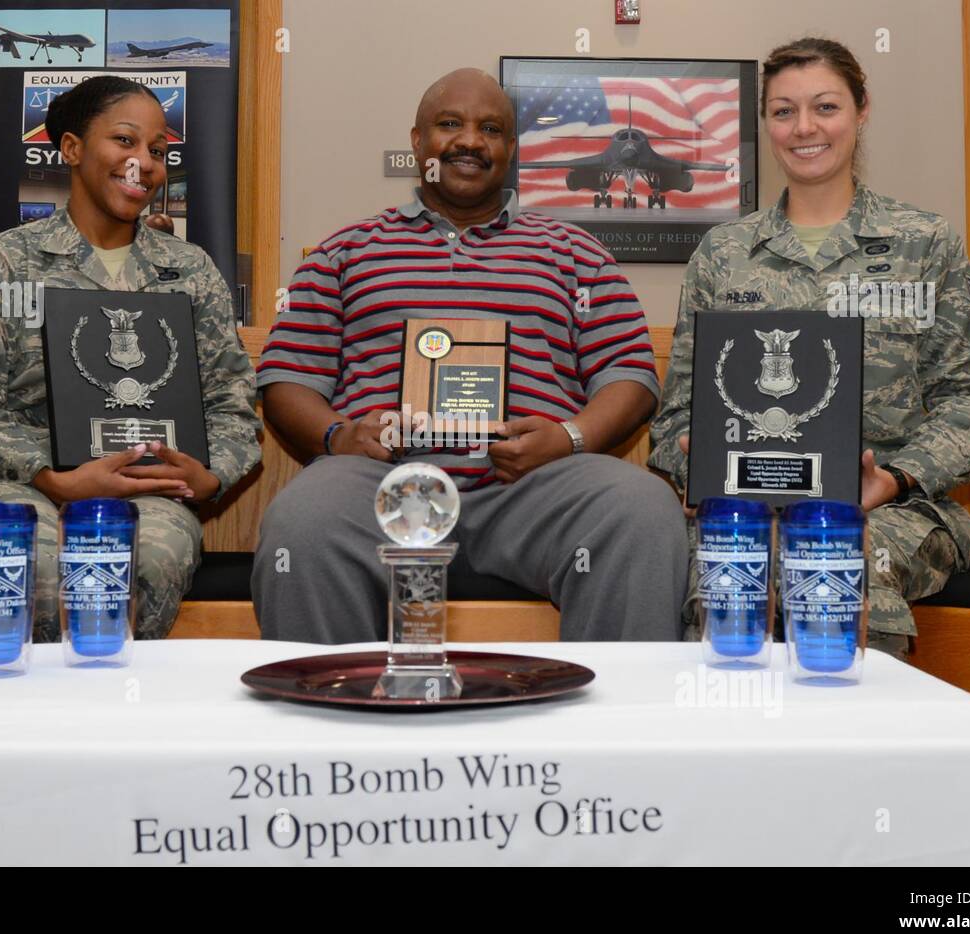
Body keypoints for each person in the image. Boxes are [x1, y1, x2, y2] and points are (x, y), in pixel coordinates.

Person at [252, 68, 687, 643]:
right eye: (449, 124)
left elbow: (629, 373)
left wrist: (569, 437)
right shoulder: (345, 253)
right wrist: (339, 437)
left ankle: (613, 729)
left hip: (532, 493)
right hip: (381, 487)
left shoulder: (575, 253)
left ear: (511, 149)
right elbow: (287, 378)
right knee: (302, 522)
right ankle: (336, 727)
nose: (470, 141)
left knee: (641, 509)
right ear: (417, 142)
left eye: (491, 129)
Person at [648, 38, 970, 658]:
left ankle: (855, 749)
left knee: (834, 556)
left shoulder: (923, 243)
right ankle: (726, 744)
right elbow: (678, 414)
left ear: (861, 109)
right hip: (748, 507)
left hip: (893, 510)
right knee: (725, 568)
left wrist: (894, 478)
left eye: (825, 106)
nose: (804, 128)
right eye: (783, 111)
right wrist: (702, 466)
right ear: (765, 123)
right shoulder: (723, 254)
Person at [0, 76, 260, 647]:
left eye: (157, 150)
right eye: (124, 141)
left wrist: (208, 474)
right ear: (72, 149)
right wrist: (56, 477)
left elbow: (231, 401)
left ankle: (106, 725)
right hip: (5, 479)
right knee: (33, 564)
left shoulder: (190, 270)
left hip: (142, 489)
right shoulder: (7, 259)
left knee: (140, 560)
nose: (143, 163)